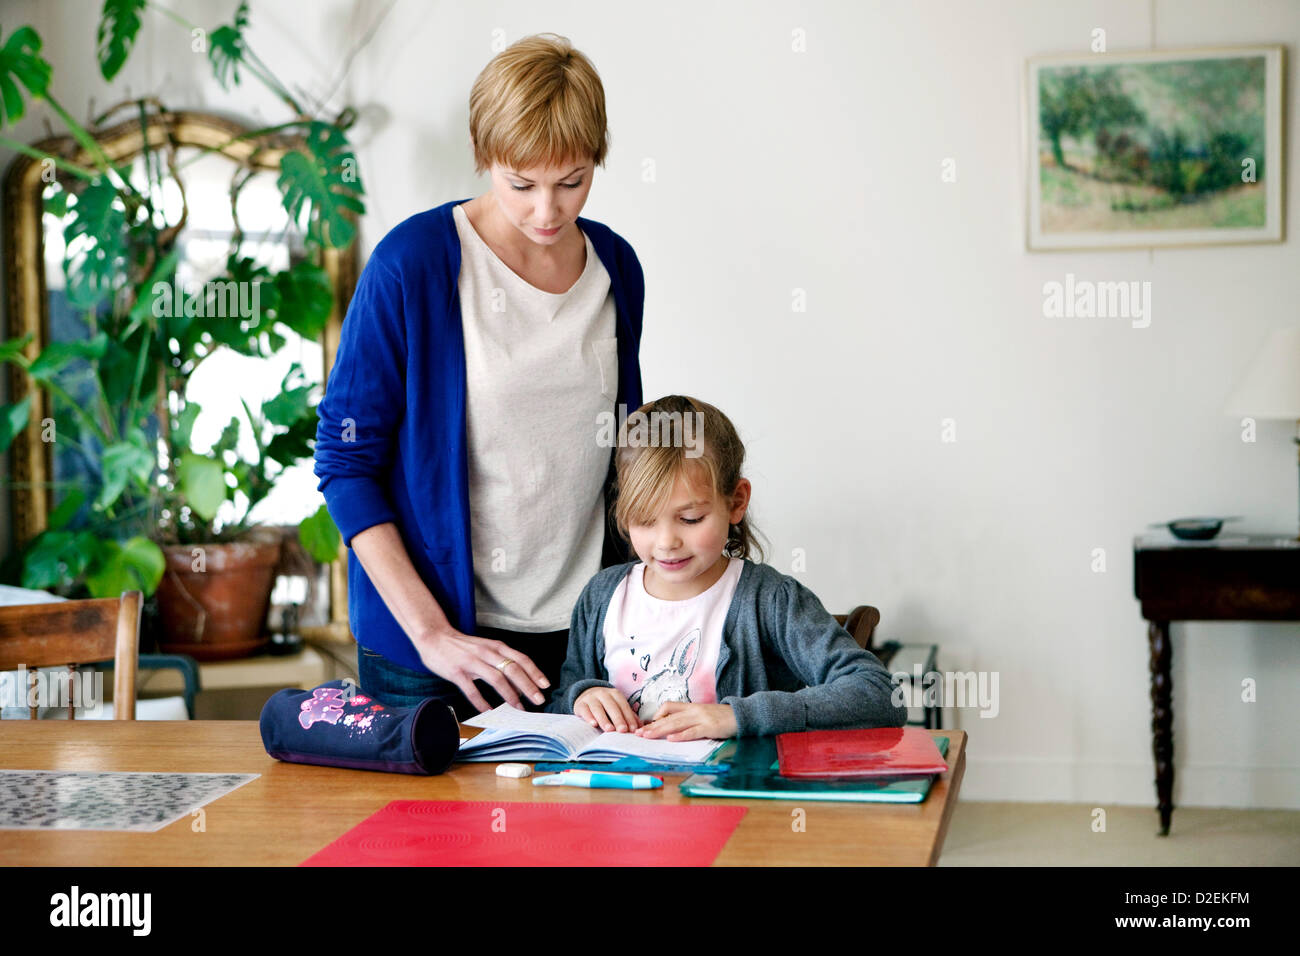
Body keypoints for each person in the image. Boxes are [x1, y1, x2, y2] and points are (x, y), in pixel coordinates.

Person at [313, 34, 644, 720]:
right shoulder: (414, 265)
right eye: (521, 184)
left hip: (581, 645)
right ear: (482, 154)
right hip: (435, 654)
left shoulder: (617, 269)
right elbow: (346, 463)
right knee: (432, 831)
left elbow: (620, 450)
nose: (547, 211)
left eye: (572, 181)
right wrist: (432, 634)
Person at [546, 395, 908, 740]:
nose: (666, 542)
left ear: (736, 502)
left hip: (735, 800)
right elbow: (560, 705)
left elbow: (877, 694)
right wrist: (581, 697)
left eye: (690, 518)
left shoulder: (770, 600)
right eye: (644, 520)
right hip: (619, 798)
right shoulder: (601, 596)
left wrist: (738, 716)